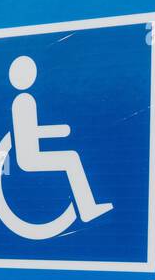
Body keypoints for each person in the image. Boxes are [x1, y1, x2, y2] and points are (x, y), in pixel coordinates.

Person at [8, 55, 113, 223]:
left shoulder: (23, 100)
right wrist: (60, 130)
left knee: (70, 157)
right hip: (29, 158)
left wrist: (59, 131)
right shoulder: (24, 101)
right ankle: (87, 209)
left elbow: (31, 133)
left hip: (32, 153)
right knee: (71, 158)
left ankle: (87, 208)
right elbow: (29, 134)